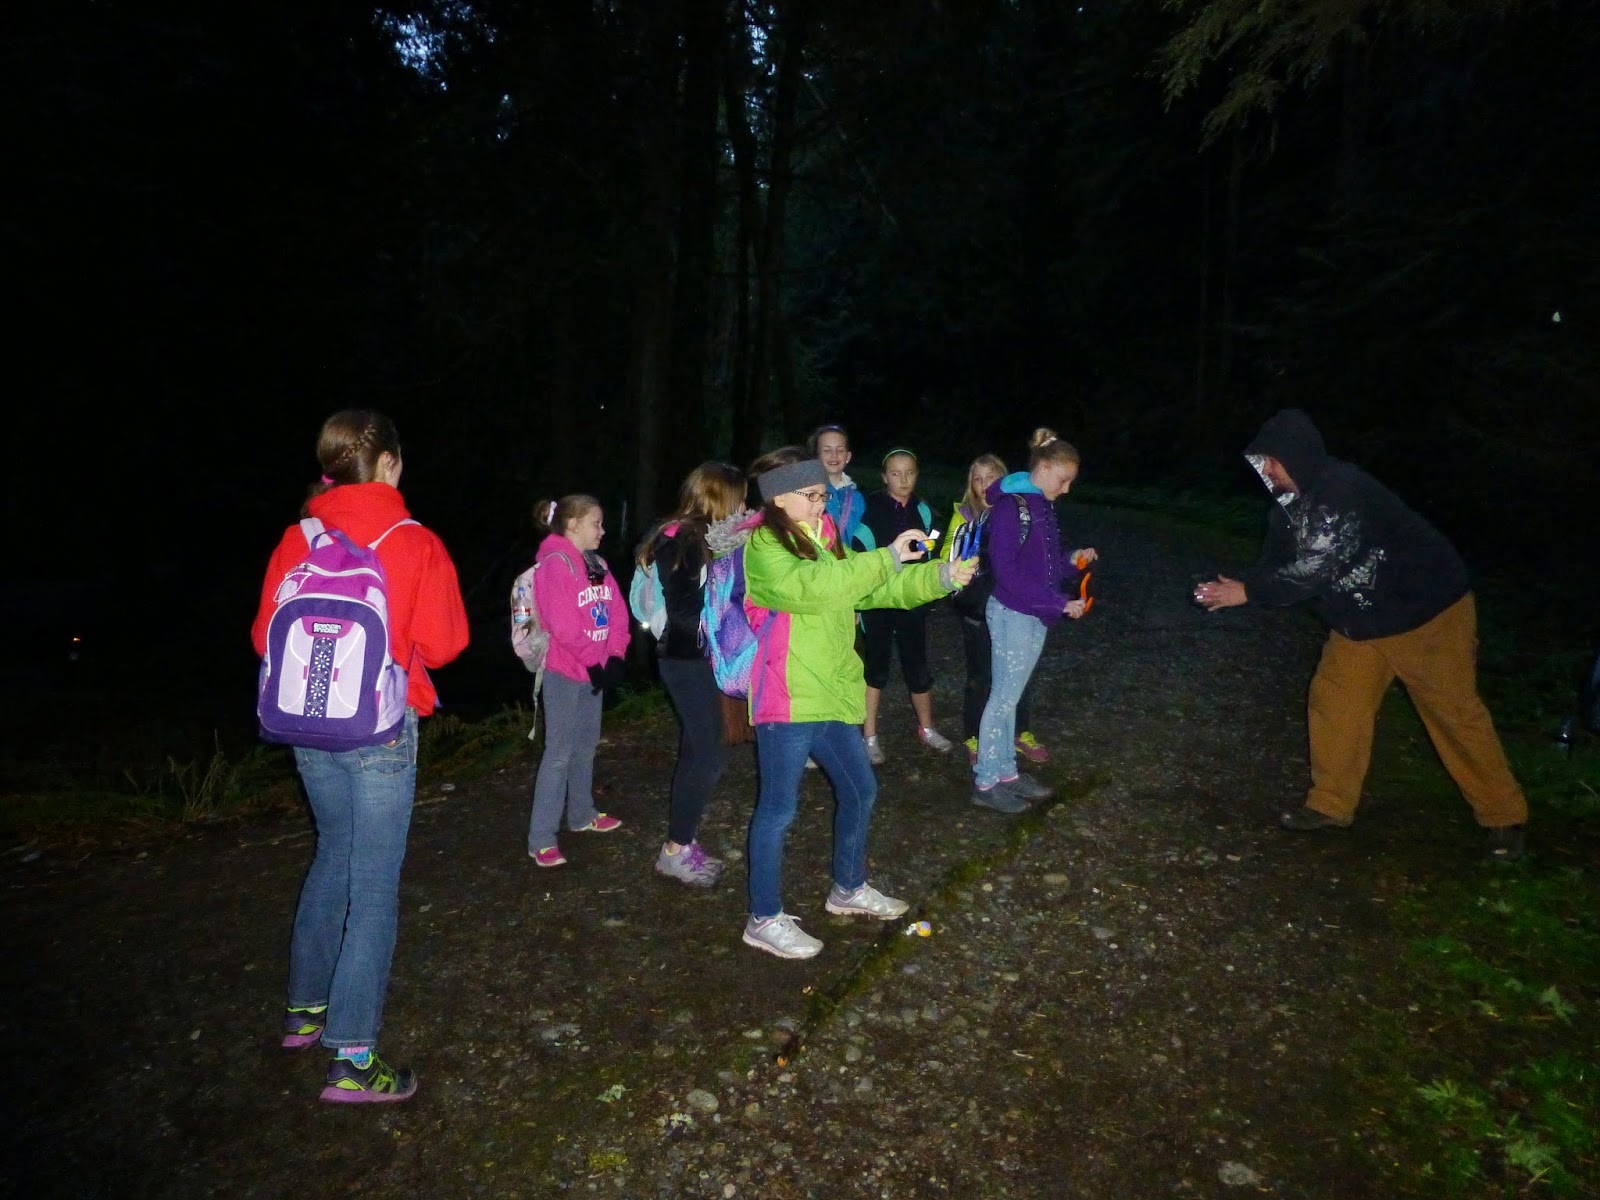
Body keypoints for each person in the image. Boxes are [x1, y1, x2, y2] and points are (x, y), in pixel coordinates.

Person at [1194, 408, 1528, 861]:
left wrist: (1249, 592)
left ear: (1295, 456)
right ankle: (1330, 806)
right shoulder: (1287, 512)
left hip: (1425, 613)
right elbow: (1275, 565)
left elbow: (1313, 568)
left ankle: (1503, 816)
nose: (1265, 469)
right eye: (1261, 461)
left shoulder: (1341, 488)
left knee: (1453, 713)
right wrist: (1240, 585)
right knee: (1336, 701)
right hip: (1363, 623)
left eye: (1270, 459)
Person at [252, 409, 469, 1103]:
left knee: (332, 851)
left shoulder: (298, 535)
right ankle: (353, 1057)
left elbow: (265, 637)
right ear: (388, 465)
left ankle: (303, 1010)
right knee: (373, 884)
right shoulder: (414, 540)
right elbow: (444, 644)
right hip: (379, 727)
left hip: (307, 727)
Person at [740, 447, 976, 959]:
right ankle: (763, 916)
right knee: (778, 811)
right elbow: (818, 590)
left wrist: (935, 576)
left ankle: (847, 888)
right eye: (814, 495)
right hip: (787, 696)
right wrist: (887, 555)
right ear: (780, 498)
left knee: (861, 790)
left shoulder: (824, 539)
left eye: (824, 495)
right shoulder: (763, 548)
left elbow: (870, 590)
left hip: (830, 691)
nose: (824, 504)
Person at [636, 462, 750, 886]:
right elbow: (684, 610)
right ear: (719, 497)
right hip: (686, 659)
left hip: (700, 657)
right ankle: (675, 849)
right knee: (710, 752)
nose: (743, 506)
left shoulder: (704, 536)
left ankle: (682, 842)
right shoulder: (680, 539)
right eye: (737, 497)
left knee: (697, 749)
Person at [973, 429, 1096, 814]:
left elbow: (1045, 565)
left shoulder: (1041, 505)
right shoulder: (1012, 508)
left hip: (1032, 615)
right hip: (1013, 613)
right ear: (1043, 468)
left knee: (1012, 697)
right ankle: (986, 781)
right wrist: (1058, 602)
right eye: (1063, 480)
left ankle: (1007, 772)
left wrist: (1071, 560)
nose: (1066, 489)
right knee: (1003, 698)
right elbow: (1007, 573)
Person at [527, 494, 631, 867]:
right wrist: (593, 662)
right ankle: (541, 837)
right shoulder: (555, 565)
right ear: (572, 524)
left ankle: (582, 813)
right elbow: (563, 625)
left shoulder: (596, 564)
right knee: (558, 754)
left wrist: (616, 655)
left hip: (595, 670)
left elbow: (618, 612)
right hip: (564, 674)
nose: (602, 531)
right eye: (596, 523)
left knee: (586, 745)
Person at [945, 453, 1048, 767]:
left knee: (1019, 672)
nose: (983, 484)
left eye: (990, 476)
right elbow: (946, 563)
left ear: (1004, 478)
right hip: (977, 609)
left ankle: (1019, 731)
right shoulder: (963, 516)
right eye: (977, 478)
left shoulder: (1022, 511)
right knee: (982, 674)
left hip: (1015, 609)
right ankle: (974, 734)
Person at [858, 448, 954, 763]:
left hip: (912, 601)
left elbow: (937, 539)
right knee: (876, 668)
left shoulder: (924, 510)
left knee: (917, 665)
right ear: (885, 477)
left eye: (909, 472)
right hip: (878, 602)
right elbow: (860, 549)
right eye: (896, 473)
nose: (903, 479)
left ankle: (927, 728)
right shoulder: (869, 508)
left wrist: (922, 551)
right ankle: (869, 735)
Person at [810, 424, 868, 550]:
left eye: (840, 450)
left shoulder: (858, 498)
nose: (834, 455)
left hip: (852, 563)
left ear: (848, 457)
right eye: (827, 450)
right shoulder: (807, 493)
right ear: (816, 456)